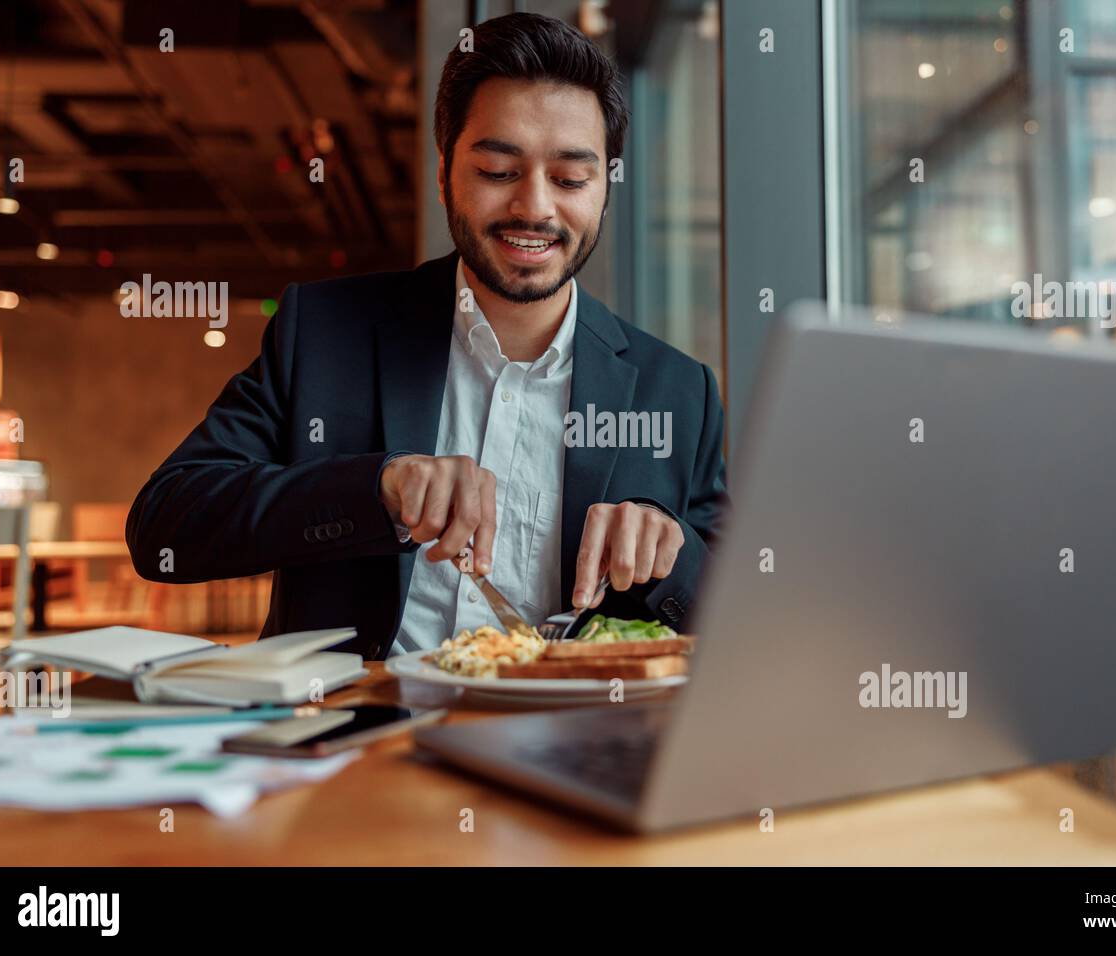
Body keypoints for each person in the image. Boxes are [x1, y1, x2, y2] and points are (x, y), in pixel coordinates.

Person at [126, 12, 728, 660]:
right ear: (444, 173)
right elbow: (166, 526)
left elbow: (748, 611)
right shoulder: (327, 333)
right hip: (360, 740)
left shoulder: (677, 390)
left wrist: (671, 553)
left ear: (605, 188)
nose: (535, 208)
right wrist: (377, 488)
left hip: (570, 745)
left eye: (570, 179)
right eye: (498, 170)